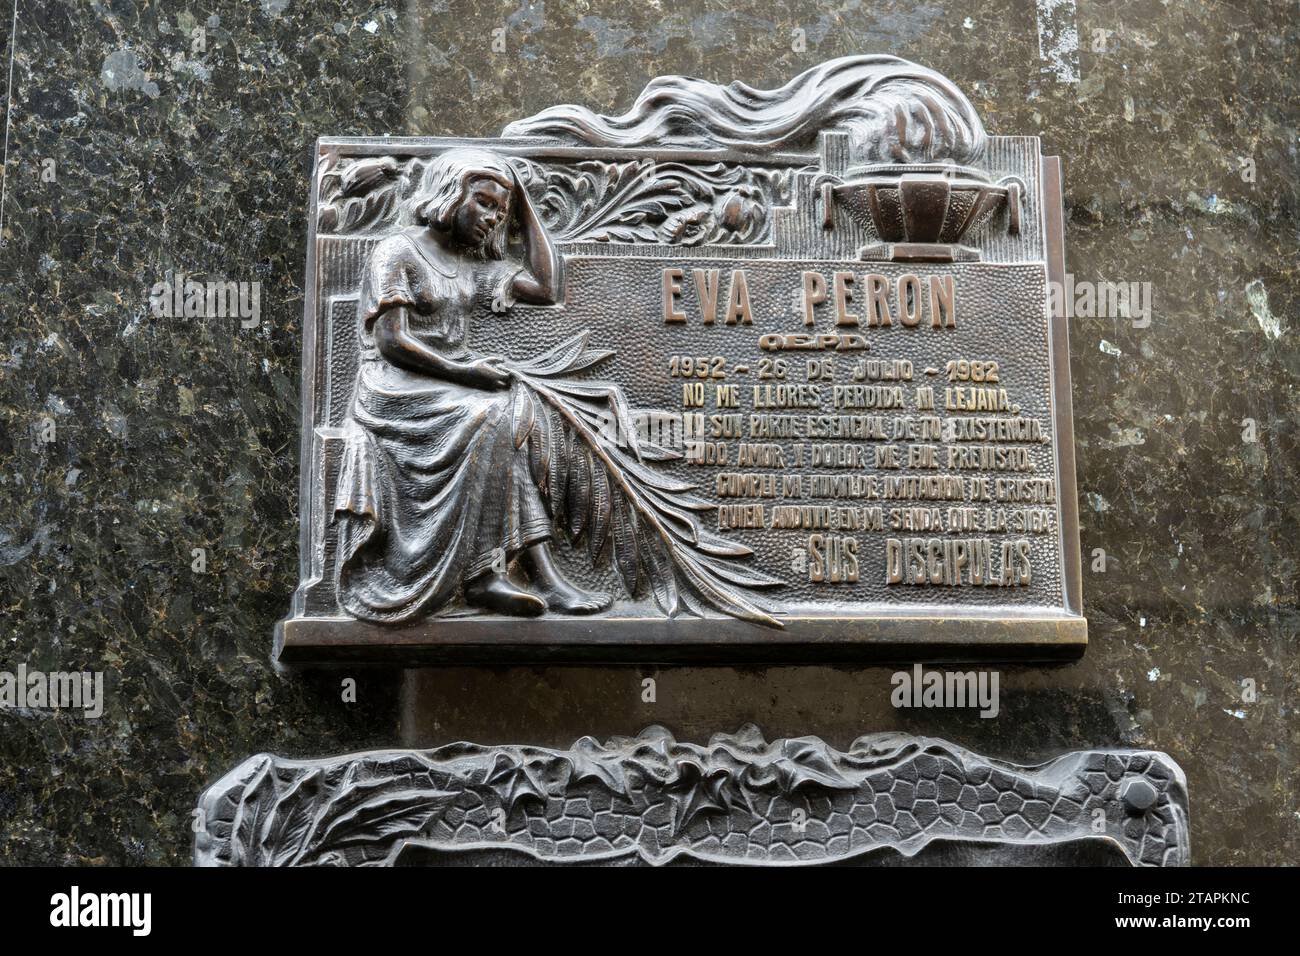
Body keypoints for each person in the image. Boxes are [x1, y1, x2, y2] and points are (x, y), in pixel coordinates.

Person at [334, 147, 611, 622]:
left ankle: (509, 576)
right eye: (484, 202)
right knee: (490, 413)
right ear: (448, 193)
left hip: (447, 387)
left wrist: (522, 206)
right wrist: (466, 373)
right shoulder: (397, 250)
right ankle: (501, 577)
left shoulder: (469, 266)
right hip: (394, 387)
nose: (491, 218)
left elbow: (547, 288)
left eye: (500, 212)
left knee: (510, 415)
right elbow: (391, 341)